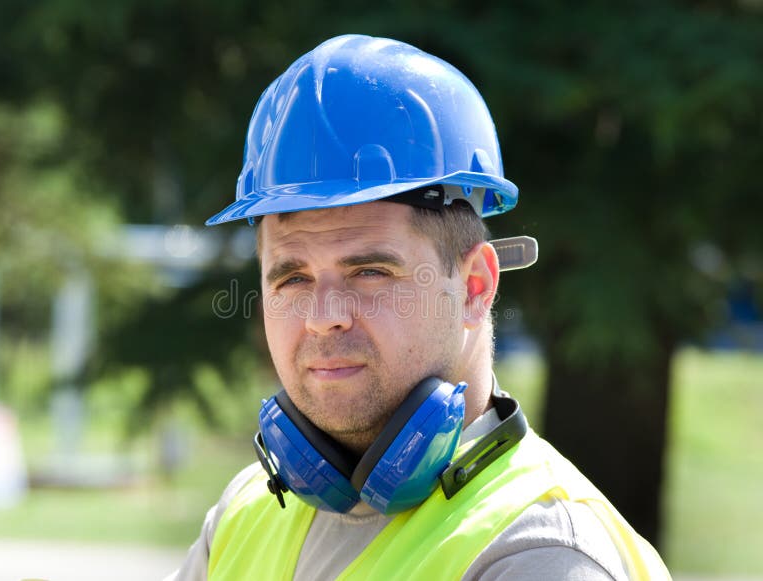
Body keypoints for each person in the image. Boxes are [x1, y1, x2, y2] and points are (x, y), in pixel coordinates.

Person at [169, 34, 671, 580]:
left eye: (370, 271)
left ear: (475, 287)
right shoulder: (244, 513)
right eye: (292, 277)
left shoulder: (539, 555)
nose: (322, 315)